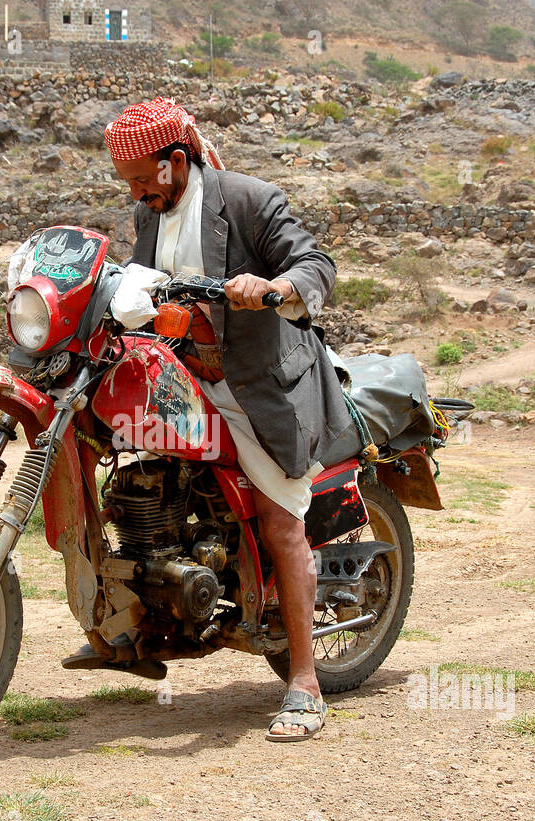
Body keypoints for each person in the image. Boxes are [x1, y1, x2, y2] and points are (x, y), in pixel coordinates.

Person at [103, 97, 356, 742]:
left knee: (280, 522)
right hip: (185, 381)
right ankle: (133, 626)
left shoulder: (249, 201)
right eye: (126, 180)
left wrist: (273, 289)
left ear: (176, 161)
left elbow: (316, 266)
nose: (133, 191)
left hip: (255, 388)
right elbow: (144, 277)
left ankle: (303, 681)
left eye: (140, 177)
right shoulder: (150, 210)